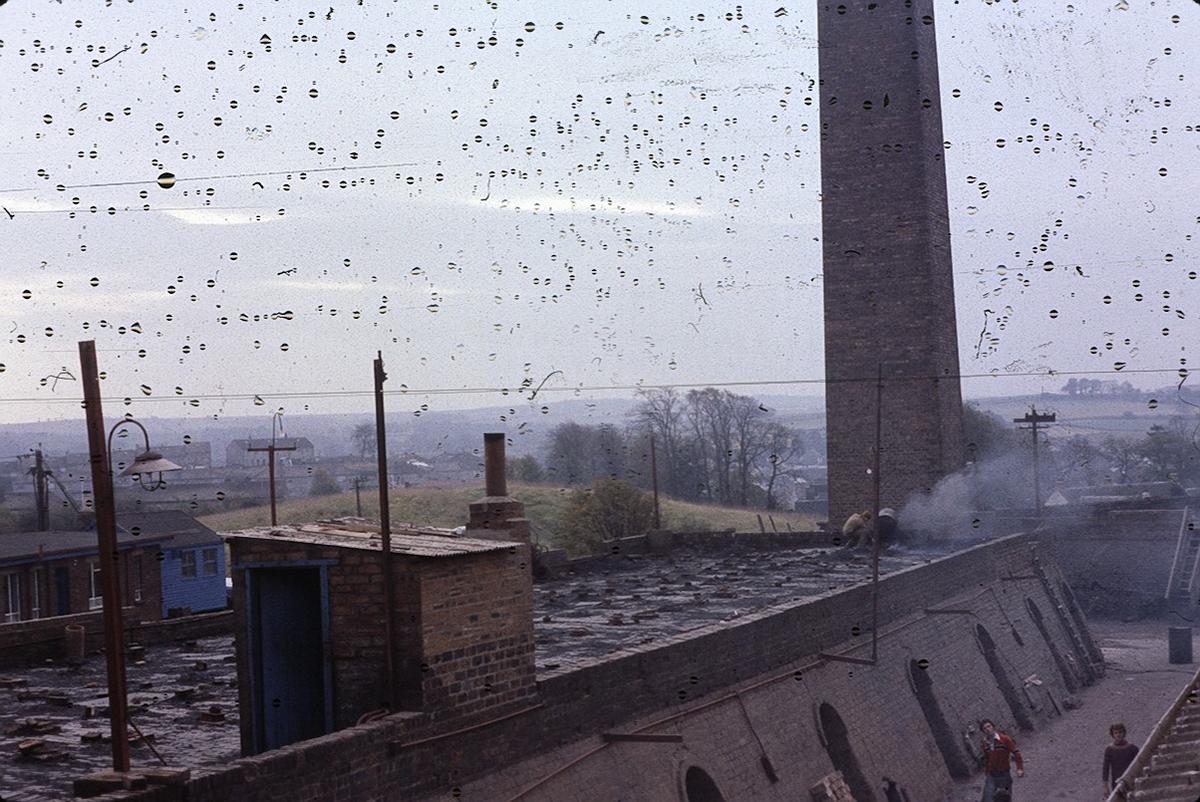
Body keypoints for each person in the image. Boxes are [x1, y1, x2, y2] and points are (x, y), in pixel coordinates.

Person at [979, 719, 1024, 802]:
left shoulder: (1005, 739)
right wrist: (987, 771)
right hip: (992, 775)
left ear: (993, 727)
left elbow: (1016, 753)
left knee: (1004, 799)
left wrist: (1020, 768)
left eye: (989, 726)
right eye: (984, 728)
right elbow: (987, 758)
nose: (987, 729)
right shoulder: (985, 744)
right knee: (987, 798)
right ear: (983, 731)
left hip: (1004, 774)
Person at [1102, 723, 1139, 794]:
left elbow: (1139, 764)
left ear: (1124, 733)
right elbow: (1105, 769)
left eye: (1120, 732)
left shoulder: (1132, 748)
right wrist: (1105, 786)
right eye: (1116, 733)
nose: (1118, 735)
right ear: (1112, 734)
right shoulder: (1109, 749)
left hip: (1131, 781)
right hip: (1116, 783)